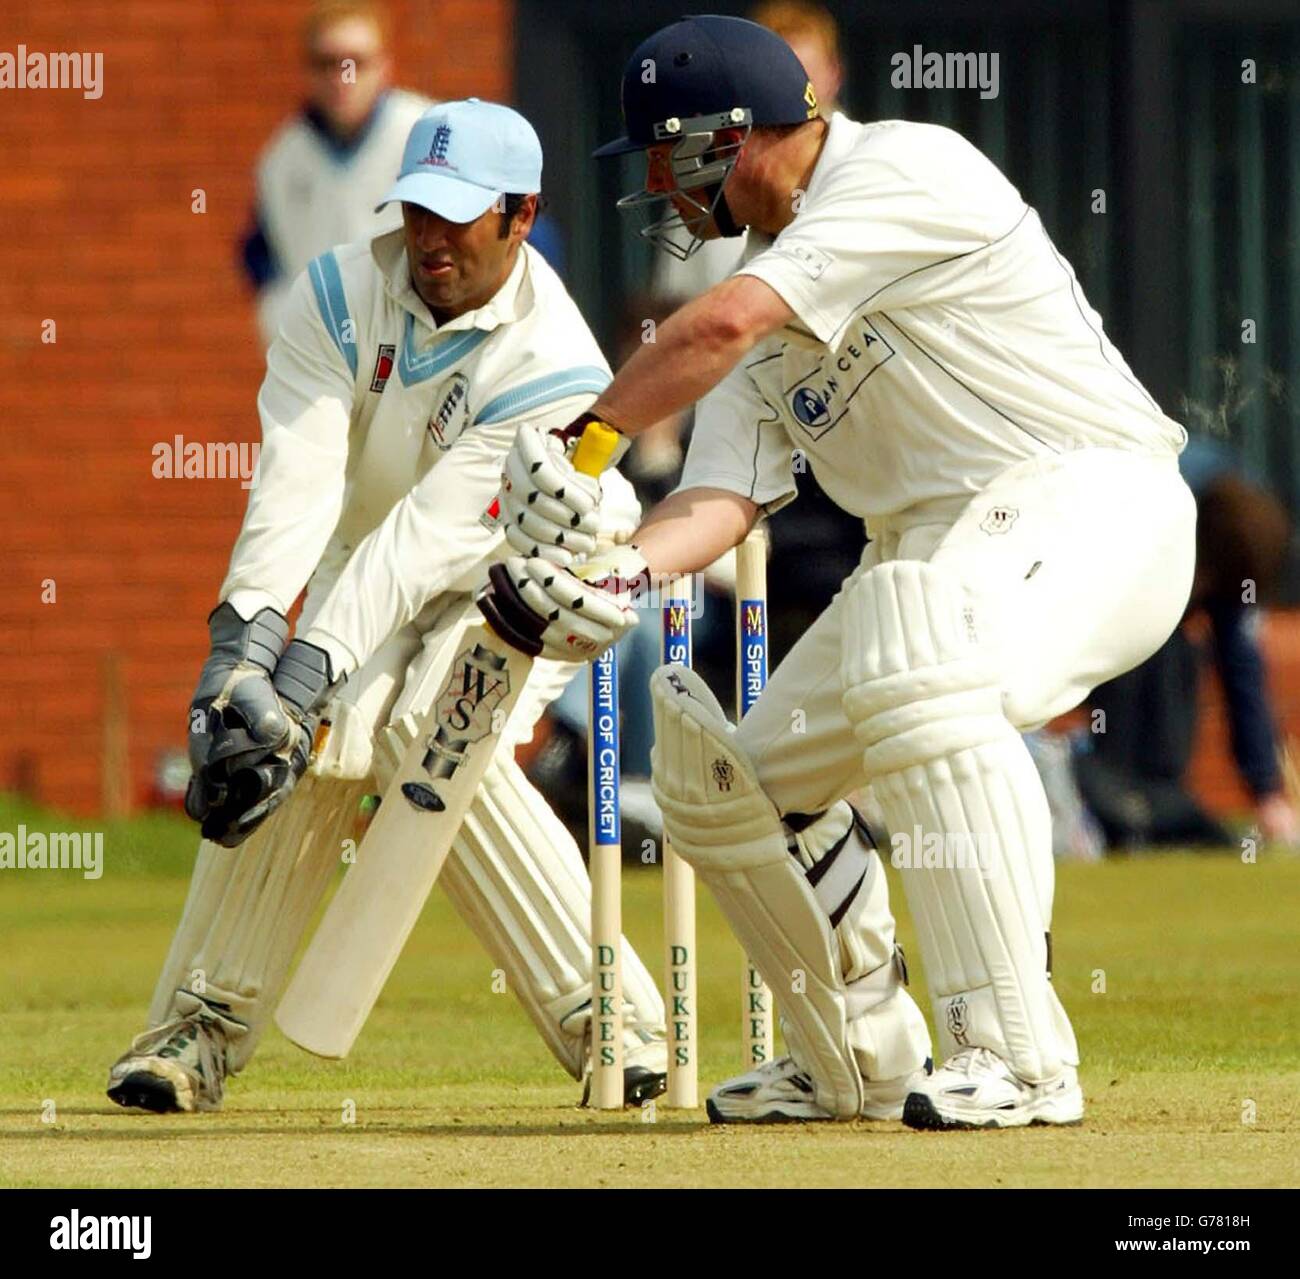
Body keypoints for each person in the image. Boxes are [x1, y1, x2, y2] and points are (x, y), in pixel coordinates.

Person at [481, 15, 1195, 1130]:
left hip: (1096, 504)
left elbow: (720, 324)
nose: (660, 189)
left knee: (919, 649)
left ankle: (1014, 1053)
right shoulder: (758, 294)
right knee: (727, 787)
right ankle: (850, 1057)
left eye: (668, 159)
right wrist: (610, 578)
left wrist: (586, 441)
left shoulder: (902, 167)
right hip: (929, 560)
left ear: (731, 137)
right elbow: (717, 501)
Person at [108, 100, 667, 1114]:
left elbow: (429, 542)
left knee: (427, 729)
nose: (429, 237)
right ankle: (196, 1031)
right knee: (308, 744)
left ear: (521, 214)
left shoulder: (557, 365)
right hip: (356, 555)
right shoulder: (334, 291)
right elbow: (296, 481)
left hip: (513, 576)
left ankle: (613, 1023)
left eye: (458, 215)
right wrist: (241, 650)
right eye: (417, 208)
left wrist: (308, 668)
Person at [1073, 436, 1298, 848]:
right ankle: (1119, 803)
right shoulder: (1148, 505)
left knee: (1176, 657)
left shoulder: (1242, 536)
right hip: (1105, 581)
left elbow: (1241, 667)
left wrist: (1266, 793)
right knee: (1148, 649)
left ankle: (1153, 806)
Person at [240, 0, 431, 348]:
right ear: (307, 70)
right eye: (327, 63)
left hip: (416, 361)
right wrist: (278, 318)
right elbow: (259, 256)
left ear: (385, 65)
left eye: (356, 62)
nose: (342, 78)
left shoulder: (428, 136)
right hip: (322, 366)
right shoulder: (282, 158)